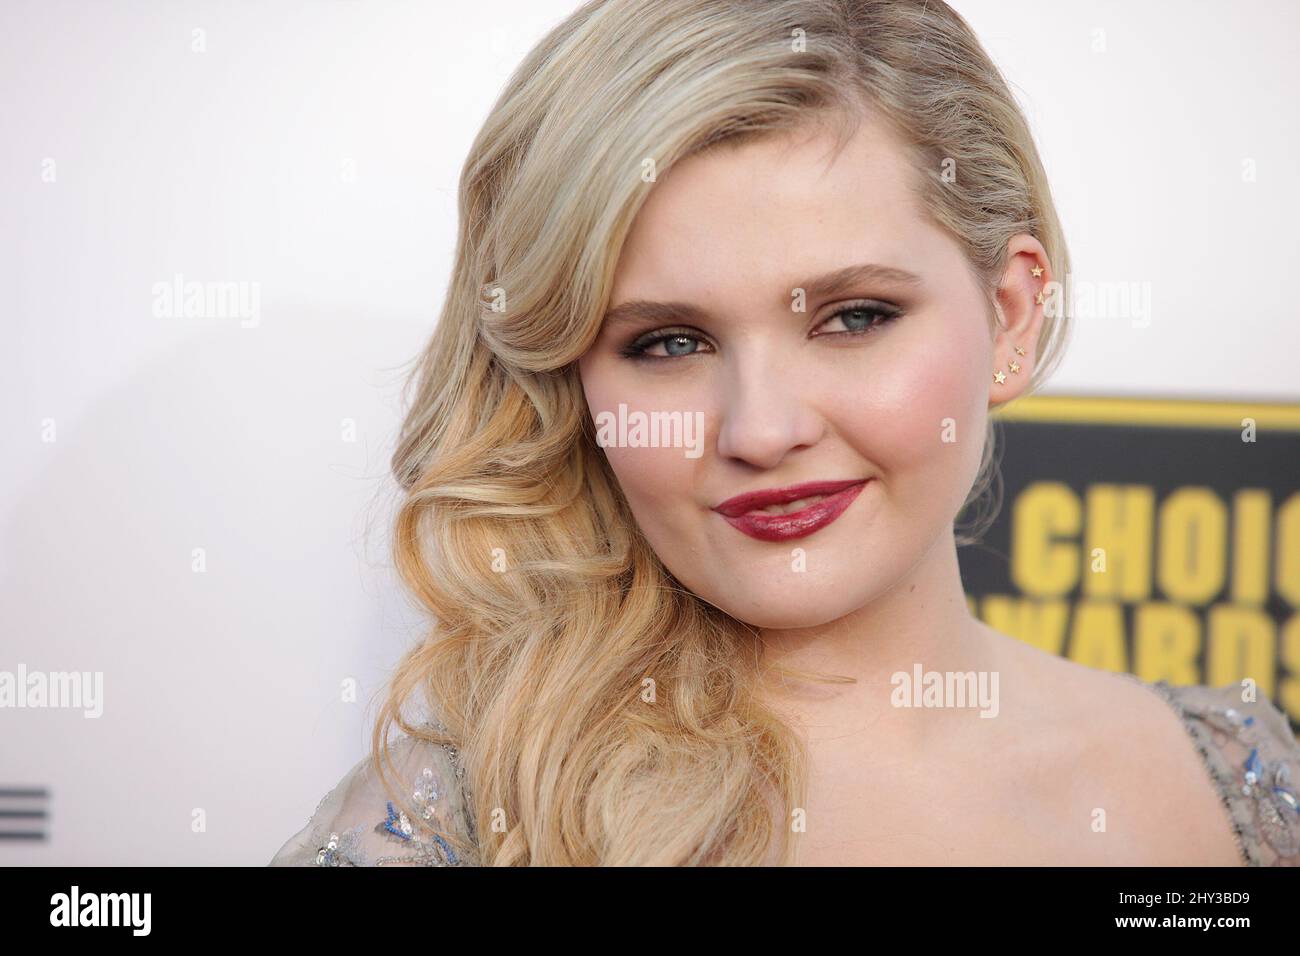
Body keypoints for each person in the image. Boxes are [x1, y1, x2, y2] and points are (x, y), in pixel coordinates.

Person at [269, 0, 1300, 866]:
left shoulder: (1243, 773)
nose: (760, 429)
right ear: (574, 379)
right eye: (667, 341)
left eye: (853, 317)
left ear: (1010, 316)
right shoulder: (459, 817)